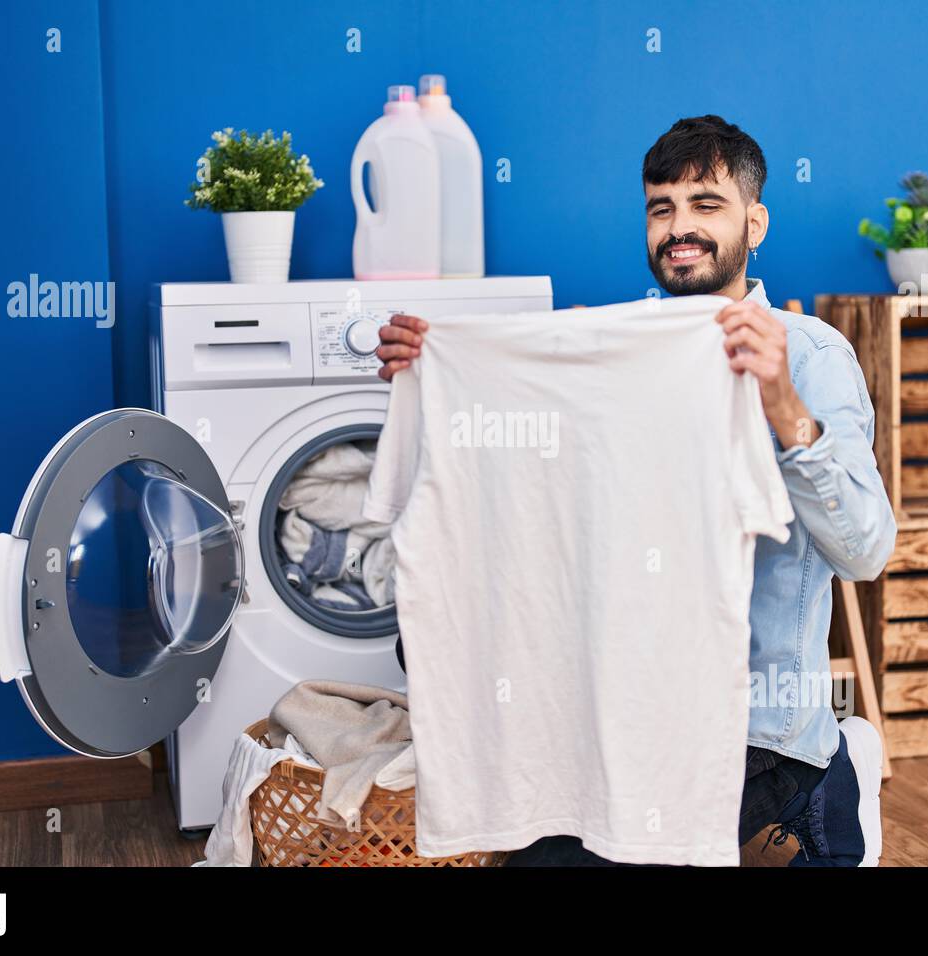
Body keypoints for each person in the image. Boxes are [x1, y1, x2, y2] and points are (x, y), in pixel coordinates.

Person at [375, 115, 897, 867]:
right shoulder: (616, 345)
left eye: (705, 205)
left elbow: (867, 551)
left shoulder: (809, 356)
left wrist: (783, 407)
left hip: (750, 721)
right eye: (662, 208)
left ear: (756, 222)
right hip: (618, 698)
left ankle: (825, 779)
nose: (680, 228)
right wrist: (440, 376)